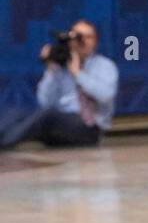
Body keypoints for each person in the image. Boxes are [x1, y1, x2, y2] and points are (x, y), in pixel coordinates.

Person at [0, 21, 118, 150]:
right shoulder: (62, 67)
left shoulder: (105, 66)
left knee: (49, 115)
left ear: (95, 42)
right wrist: (51, 70)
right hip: (58, 125)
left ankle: (4, 143)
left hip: (88, 129)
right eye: (78, 37)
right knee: (15, 112)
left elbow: (106, 95)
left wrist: (78, 74)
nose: (82, 41)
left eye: (88, 37)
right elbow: (45, 101)